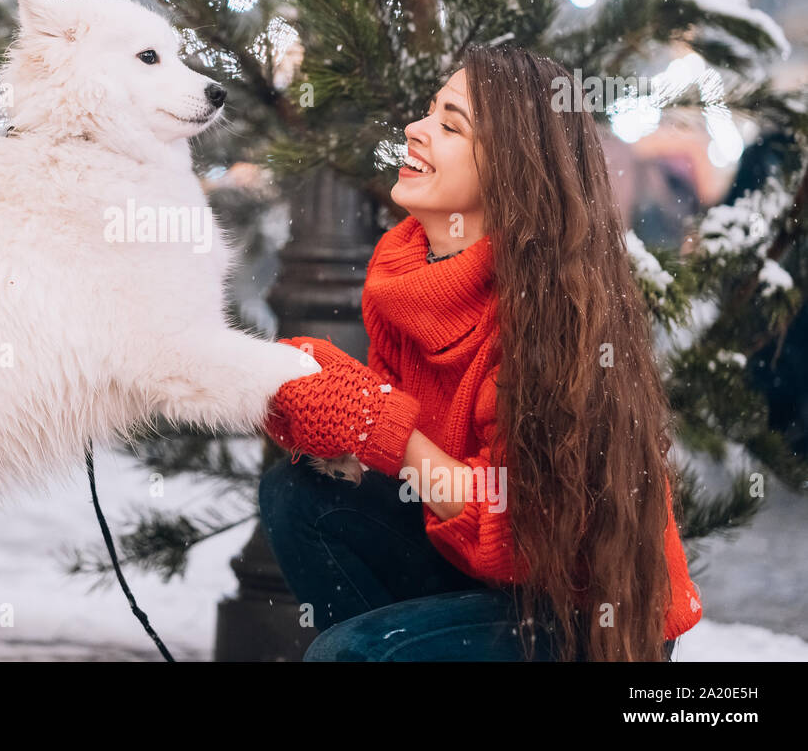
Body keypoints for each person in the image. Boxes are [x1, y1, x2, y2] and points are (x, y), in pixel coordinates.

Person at [259, 43, 703, 661]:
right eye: (428, 112)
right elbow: (399, 474)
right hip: (471, 569)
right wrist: (322, 411)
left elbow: (529, 533)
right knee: (298, 496)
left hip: (580, 618)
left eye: (450, 125)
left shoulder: (549, 312)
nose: (415, 131)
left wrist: (375, 421)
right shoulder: (403, 276)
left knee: (350, 654)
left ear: (511, 172)